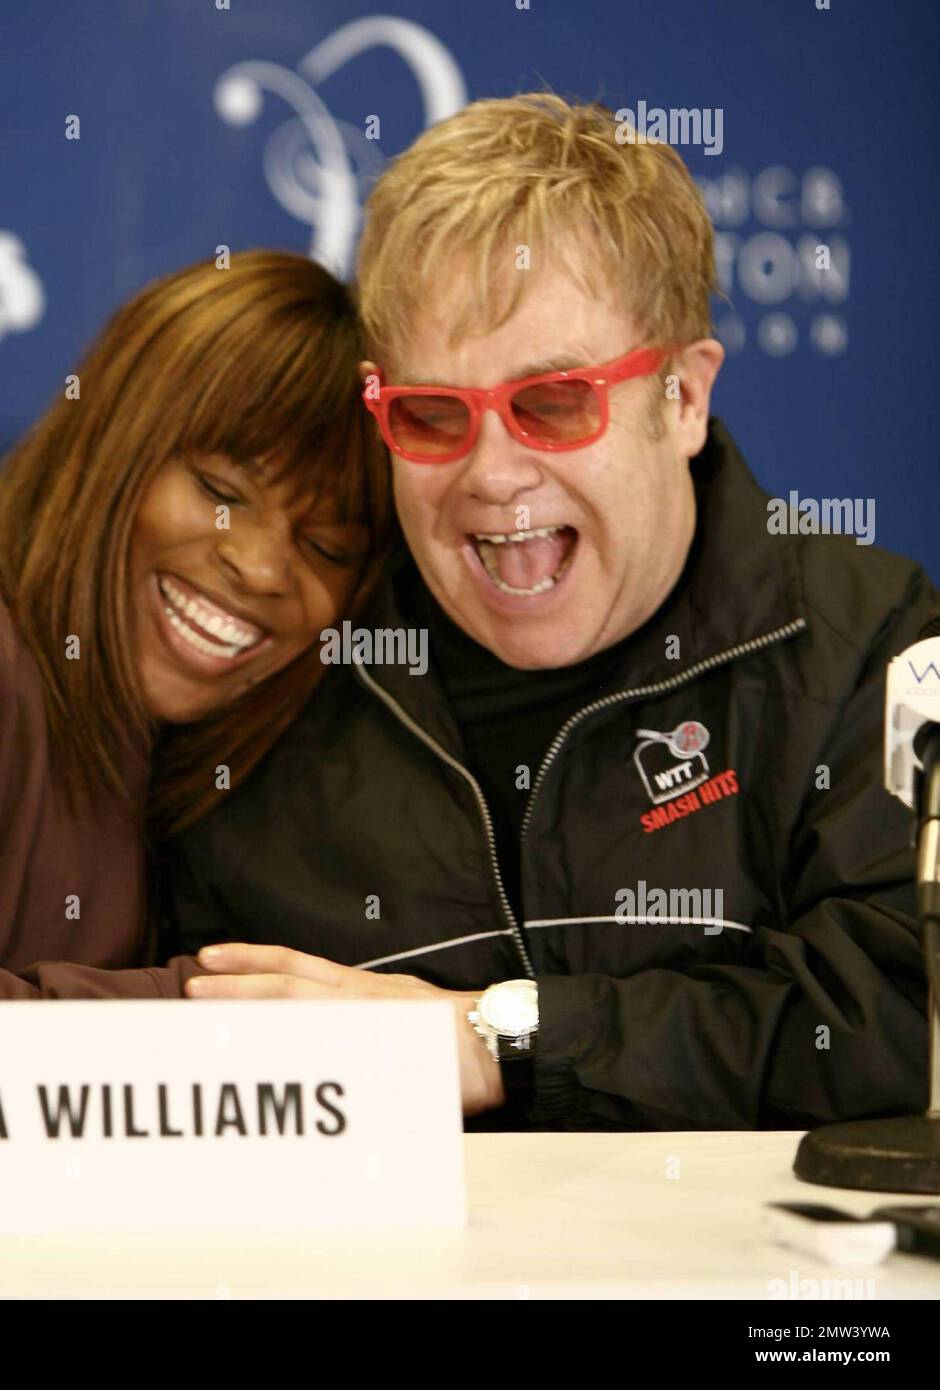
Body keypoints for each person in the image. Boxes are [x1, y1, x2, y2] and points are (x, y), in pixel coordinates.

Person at [162, 95, 939, 1131]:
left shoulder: (871, 647)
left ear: (682, 398)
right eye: (432, 416)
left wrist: (498, 1041)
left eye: (552, 403)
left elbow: (901, 1015)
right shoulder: (286, 664)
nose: (490, 473)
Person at [0, 251, 391, 999]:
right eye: (220, 490)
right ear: (110, 443)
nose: (263, 567)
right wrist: (255, 1021)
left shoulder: (225, 778)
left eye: (326, 548)